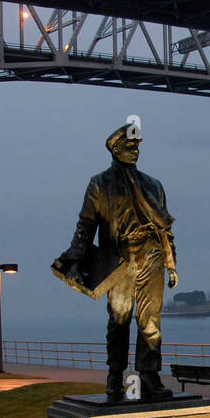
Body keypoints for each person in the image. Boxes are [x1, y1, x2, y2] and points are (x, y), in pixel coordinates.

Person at [55, 123, 178, 403]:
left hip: (152, 256)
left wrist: (170, 263)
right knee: (119, 320)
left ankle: (149, 375)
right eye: (128, 146)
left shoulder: (154, 185)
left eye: (137, 146)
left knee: (151, 321)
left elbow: (165, 230)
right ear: (115, 149)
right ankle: (115, 375)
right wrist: (75, 261)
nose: (134, 151)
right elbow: (86, 225)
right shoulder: (99, 184)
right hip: (121, 259)